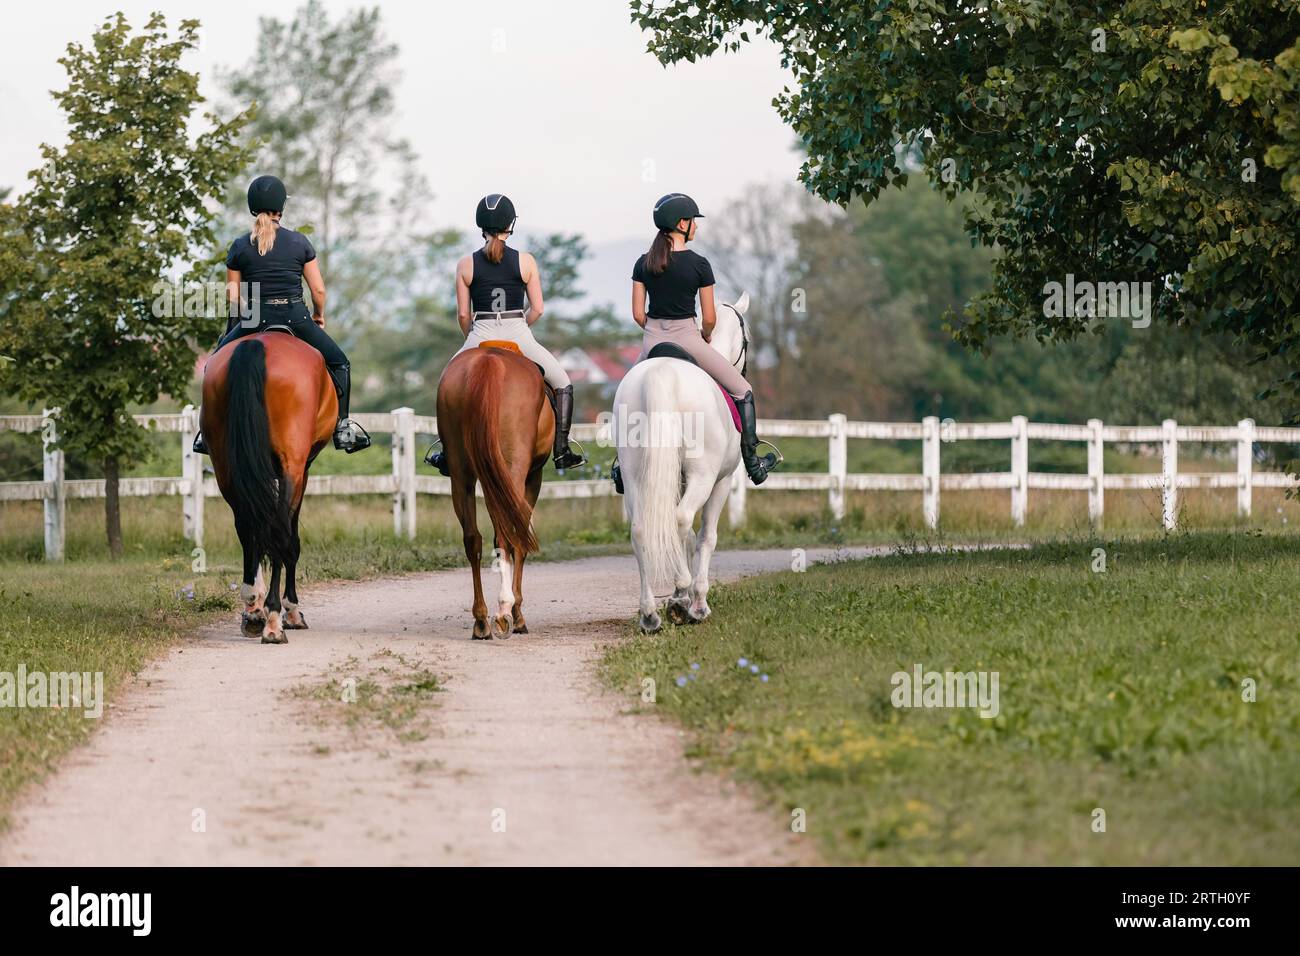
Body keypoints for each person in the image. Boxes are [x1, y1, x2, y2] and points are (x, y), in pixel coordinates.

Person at [192, 175, 370, 454]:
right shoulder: (299, 242)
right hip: (296, 317)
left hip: (253, 319)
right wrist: (318, 315)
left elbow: (233, 297)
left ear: (253, 207)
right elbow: (319, 291)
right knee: (340, 363)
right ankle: (343, 428)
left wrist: (243, 320)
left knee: (213, 365)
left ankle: (206, 432)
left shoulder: (239, 246)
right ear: (281, 207)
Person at [612, 192, 777, 489]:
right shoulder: (699, 264)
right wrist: (705, 335)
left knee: (625, 396)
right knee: (743, 389)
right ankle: (754, 463)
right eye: (693, 221)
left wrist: (655, 330)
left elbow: (638, 313)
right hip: (689, 338)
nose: (696, 227)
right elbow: (710, 317)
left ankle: (621, 466)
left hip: (652, 343)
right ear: (681, 224)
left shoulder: (642, 263)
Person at [426, 193, 584, 474]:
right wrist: (521, 326)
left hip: (480, 332)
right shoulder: (526, 261)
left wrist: (471, 337)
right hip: (518, 331)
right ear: (510, 225)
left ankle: (447, 451)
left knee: (446, 384)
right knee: (562, 381)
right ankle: (562, 450)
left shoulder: (466, 264)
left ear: (481, 226)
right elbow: (538, 309)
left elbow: (463, 315)